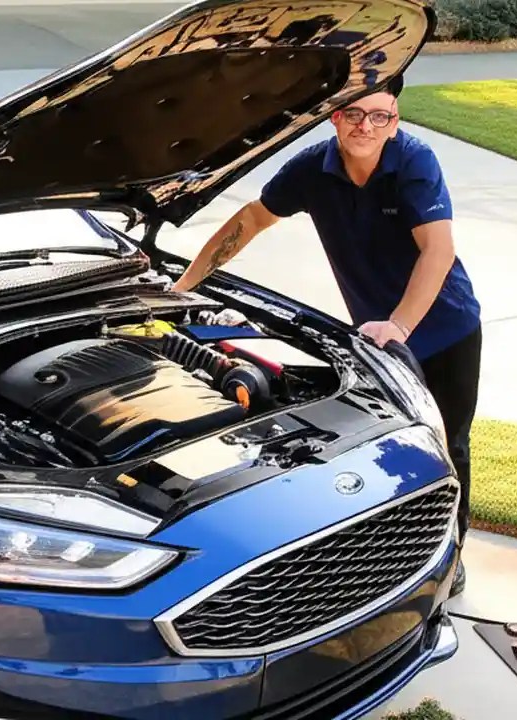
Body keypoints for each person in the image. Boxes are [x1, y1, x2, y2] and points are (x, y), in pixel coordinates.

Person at [172, 74, 480, 596]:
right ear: (334, 116)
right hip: (374, 339)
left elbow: (438, 251)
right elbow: (249, 221)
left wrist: (400, 324)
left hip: (443, 328)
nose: (365, 125)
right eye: (353, 114)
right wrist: (182, 288)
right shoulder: (312, 168)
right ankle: (384, 557)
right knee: (381, 451)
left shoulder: (413, 162)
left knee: (446, 445)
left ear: (394, 121)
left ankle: (451, 556)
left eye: (379, 116)